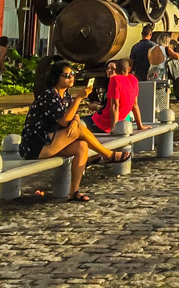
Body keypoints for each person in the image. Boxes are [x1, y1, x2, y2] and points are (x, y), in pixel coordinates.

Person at [19, 60, 131, 202]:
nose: (71, 77)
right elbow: (64, 121)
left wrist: (75, 121)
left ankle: (74, 191)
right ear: (56, 78)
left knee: (81, 146)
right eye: (66, 75)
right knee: (79, 130)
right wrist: (79, 99)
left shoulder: (65, 96)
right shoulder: (50, 95)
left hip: (52, 140)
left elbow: (75, 115)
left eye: (72, 74)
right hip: (36, 144)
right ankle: (107, 154)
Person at [86, 59, 149, 134]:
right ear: (129, 69)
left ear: (116, 69)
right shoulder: (133, 80)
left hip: (103, 124)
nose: (109, 71)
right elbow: (135, 105)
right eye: (108, 68)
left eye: (112, 69)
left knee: (77, 122)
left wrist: (114, 129)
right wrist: (140, 125)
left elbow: (115, 106)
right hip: (118, 122)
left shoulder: (115, 80)